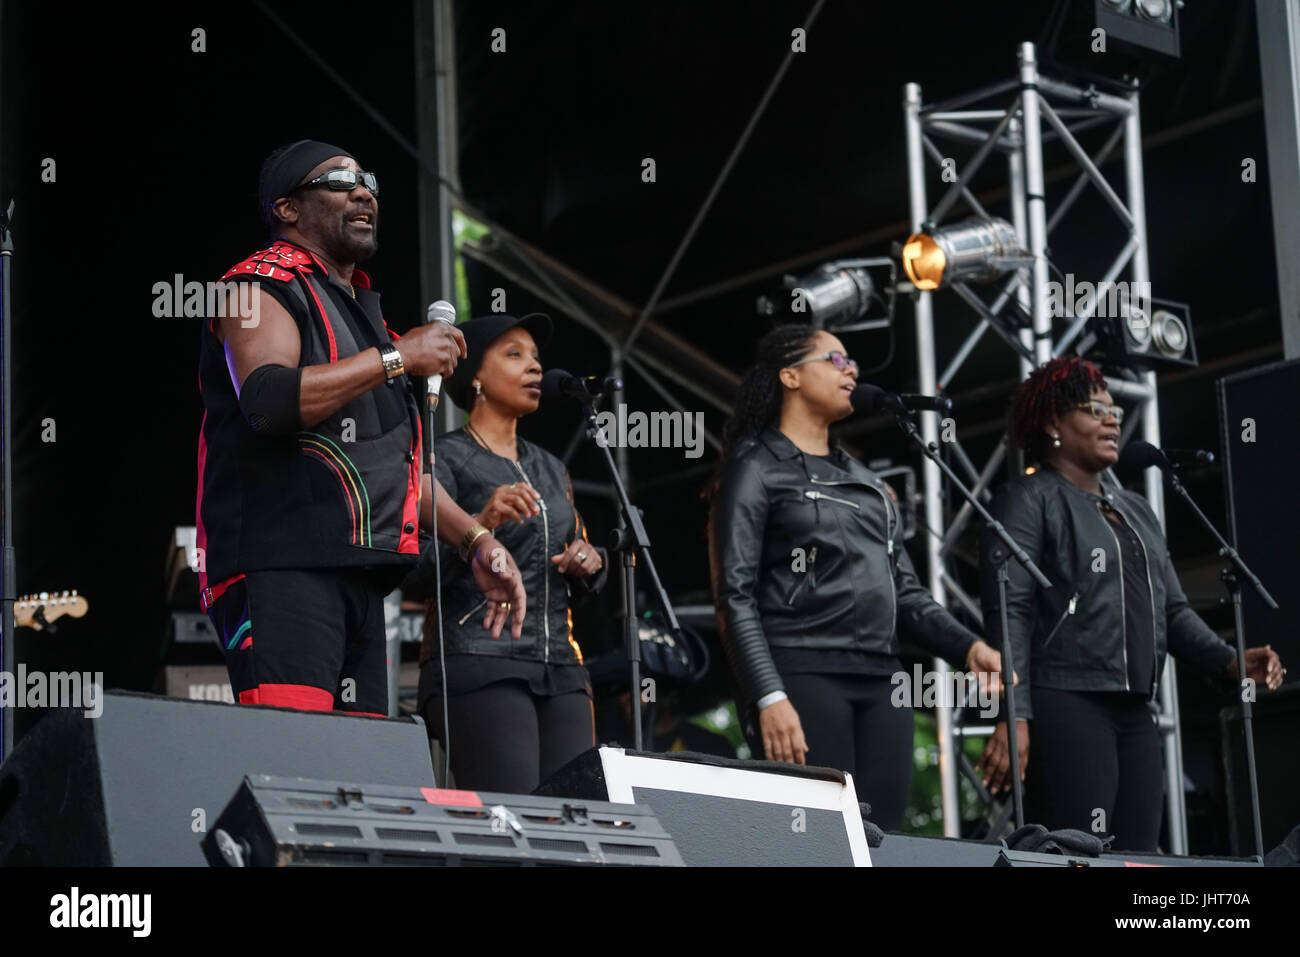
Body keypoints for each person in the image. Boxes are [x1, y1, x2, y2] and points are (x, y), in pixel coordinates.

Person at [197, 139, 525, 717]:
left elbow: (393, 471)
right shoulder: (258, 283)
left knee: (362, 765)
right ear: (287, 208)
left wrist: (478, 541)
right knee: (295, 757)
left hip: (361, 578)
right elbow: (267, 402)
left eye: (367, 182)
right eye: (338, 181)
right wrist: (399, 358)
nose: (362, 192)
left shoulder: (365, 323)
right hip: (283, 567)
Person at [975, 356, 1284, 851]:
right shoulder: (1029, 499)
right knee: (1075, 853)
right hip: (1066, 700)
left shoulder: (1136, 510)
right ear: (1053, 423)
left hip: (1136, 709)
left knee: (1138, 857)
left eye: (1115, 410)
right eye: (1094, 410)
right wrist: (1014, 712)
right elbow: (1009, 611)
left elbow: (1173, 612)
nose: (1112, 420)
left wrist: (1229, 661)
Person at [708, 324, 1006, 830]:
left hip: (883, 680)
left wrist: (969, 647)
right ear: (790, 376)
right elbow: (734, 596)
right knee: (818, 840)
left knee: (882, 837)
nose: (852, 370)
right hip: (801, 672)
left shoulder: (869, 484)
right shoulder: (756, 467)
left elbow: (907, 594)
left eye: (852, 362)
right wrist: (768, 694)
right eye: (835, 360)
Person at [417, 313, 605, 792]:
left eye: (537, 358)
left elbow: (572, 569)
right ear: (475, 376)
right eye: (515, 354)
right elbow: (414, 573)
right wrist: (480, 525)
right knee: (513, 814)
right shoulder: (442, 457)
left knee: (578, 815)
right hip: (480, 660)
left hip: (562, 667)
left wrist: (587, 560)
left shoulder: (552, 468)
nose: (536, 367)